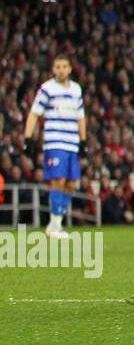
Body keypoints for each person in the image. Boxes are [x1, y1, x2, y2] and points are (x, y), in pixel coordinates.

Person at [24, 54, 86, 239]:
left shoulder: (76, 89)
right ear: (53, 70)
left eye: (64, 66)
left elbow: (81, 116)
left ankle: (56, 223)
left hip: (72, 143)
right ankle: (55, 224)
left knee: (71, 183)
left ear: (69, 69)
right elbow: (34, 113)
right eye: (57, 66)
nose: (61, 70)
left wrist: (83, 140)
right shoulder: (47, 89)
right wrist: (28, 138)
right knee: (58, 180)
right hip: (55, 141)